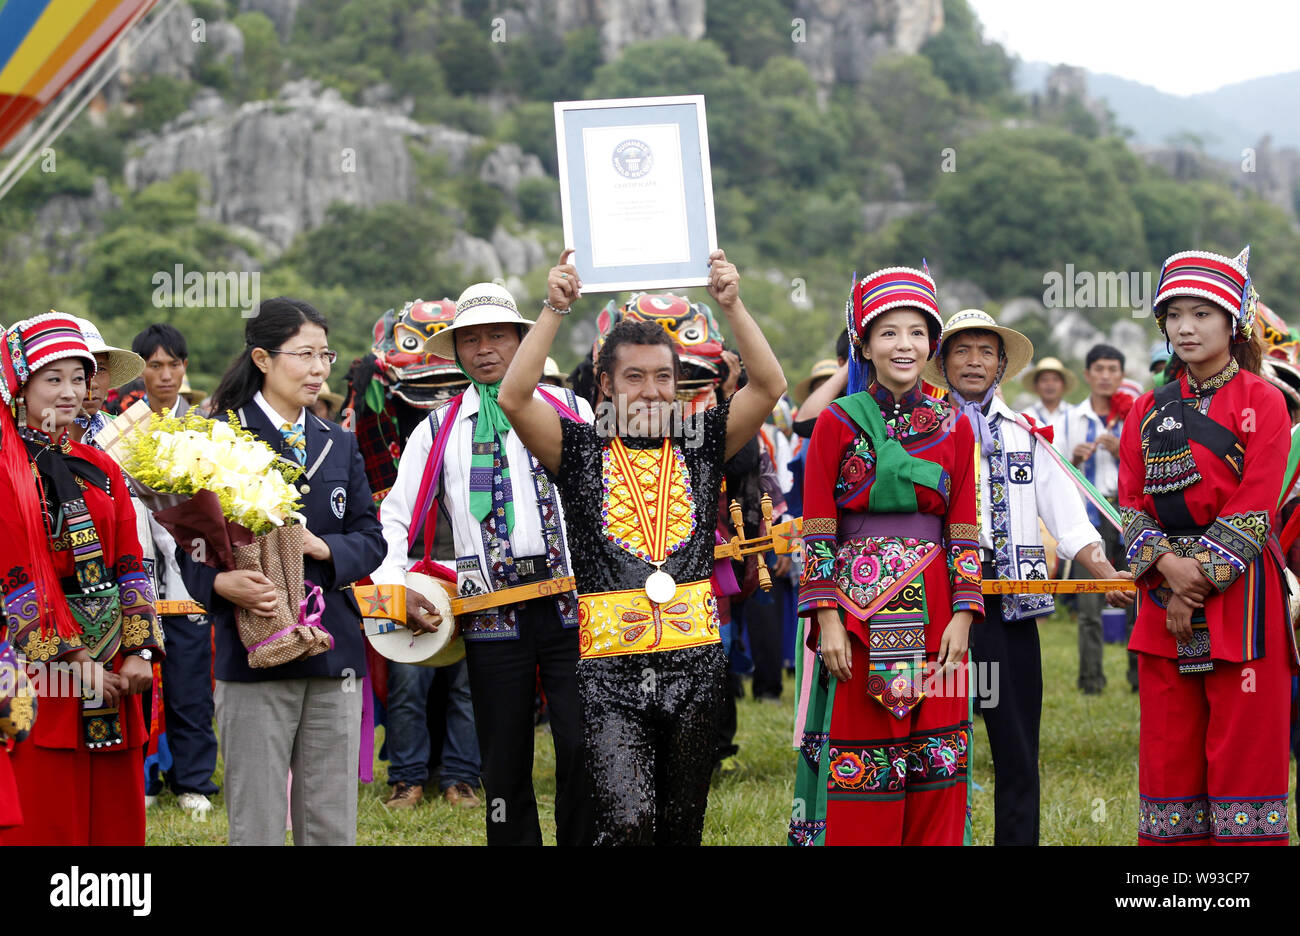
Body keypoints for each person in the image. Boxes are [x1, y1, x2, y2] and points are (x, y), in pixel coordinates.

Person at [500, 248, 787, 844]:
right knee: (626, 824)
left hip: (697, 662)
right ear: (605, 383)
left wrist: (730, 304)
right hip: (609, 670)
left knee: (682, 827)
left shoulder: (703, 440)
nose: (652, 391)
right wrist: (554, 308)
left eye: (664, 377)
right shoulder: (579, 450)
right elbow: (515, 397)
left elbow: (770, 384)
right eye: (634, 376)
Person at [377, 283, 595, 846]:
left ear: (523, 339)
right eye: (469, 339)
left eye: (497, 334)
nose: (484, 349)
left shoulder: (571, 410)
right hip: (489, 611)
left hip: (575, 604)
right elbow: (395, 518)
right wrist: (392, 591)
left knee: (580, 739)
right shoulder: (437, 428)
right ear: (455, 353)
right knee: (501, 752)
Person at [787, 265, 983, 846]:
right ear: (864, 344)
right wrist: (828, 621)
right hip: (857, 616)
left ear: (932, 344)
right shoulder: (837, 422)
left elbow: (965, 526)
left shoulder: (955, 425)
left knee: (937, 762)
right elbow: (819, 526)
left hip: (937, 615)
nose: (905, 345)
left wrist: (965, 616)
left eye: (918, 333)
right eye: (889, 332)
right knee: (862, 768)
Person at [924, 308, 1135, 845]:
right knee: (932, 740)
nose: (974, 361)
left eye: (985, 351)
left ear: (1000, 366)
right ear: (943, 361)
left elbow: (1068, 516)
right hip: (934, 601)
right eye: (962, 350)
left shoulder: (1026, 434)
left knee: (1017, 743)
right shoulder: (916, 429)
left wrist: (1105, 570)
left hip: (1007, 600)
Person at [179, 298, 385, 845]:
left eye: (325, 354)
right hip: (254, 646)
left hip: (333, 648)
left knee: (330, 817)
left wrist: (327, 548)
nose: (319, 368)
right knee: (258, 816)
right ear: (264, 359)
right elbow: (191, 542)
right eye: (304, 355)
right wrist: (219, 583)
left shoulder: (338, 444)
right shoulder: (217, 440)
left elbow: (372, 537)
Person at [1119, 247, 1297, 845]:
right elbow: (1130, 506)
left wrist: (1191, 585)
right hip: (1162, 595)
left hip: (1243, 600)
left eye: (1201, 314)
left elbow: (1255, 505)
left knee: (1244, 757)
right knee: (1168, 759)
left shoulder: (1263, 400)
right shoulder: (1146, 408)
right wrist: (1168, 573)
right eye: (1174, 315)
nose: (1186, 327)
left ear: (1233, 322)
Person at [0, 313, 164, 845]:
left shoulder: (100, 465)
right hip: (35, 669)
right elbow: (15, 574)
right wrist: (73, 663)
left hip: (113, 661)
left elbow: (130, 563)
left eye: (80, 377)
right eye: (54, 379)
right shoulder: (6, 468)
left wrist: (139, 651)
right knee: (46, 813)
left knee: (112, 821)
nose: (70, 392)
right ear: (19, 388)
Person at [355, 300, 481, 811]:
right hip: (399, 570)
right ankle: (405, 777)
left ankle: (461, 777)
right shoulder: (371, 428)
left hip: (473, 572)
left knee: (466, 685)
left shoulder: (486, 421)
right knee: (406, 676)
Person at [131, 323, 219, 813]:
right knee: (139, 676)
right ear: (140, 371)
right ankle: (142, 776)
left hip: (193, 573)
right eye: (155, 365)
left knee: (189, 684)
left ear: (186, 367)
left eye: (174, 364)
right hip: (139, 576)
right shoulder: (123, 430)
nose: (165, 375)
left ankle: (195, 782)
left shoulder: (205, 429)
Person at [1062, 343, 1137, 694]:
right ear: (1087, 375)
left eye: (1113, 370)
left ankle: (1139, 678)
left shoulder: (1135, 416)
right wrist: (1073, 459)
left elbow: (1151, 468)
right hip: (1086, 518)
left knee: (1136, 599)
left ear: (1121, 376)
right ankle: (1091, 680)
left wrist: (1121, 451)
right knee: (1090, 602)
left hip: (1128, 516)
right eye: (1100, 369)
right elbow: (1053, 471)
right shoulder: (1070, 419)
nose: (1106, 376)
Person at [1024, 356, 1074, 449]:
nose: (1050, 384)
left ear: (1063, 385)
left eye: (1055, 379)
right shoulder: (1026, 416)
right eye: (1044, 379)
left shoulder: (1074, 414)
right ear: (1036, 385)